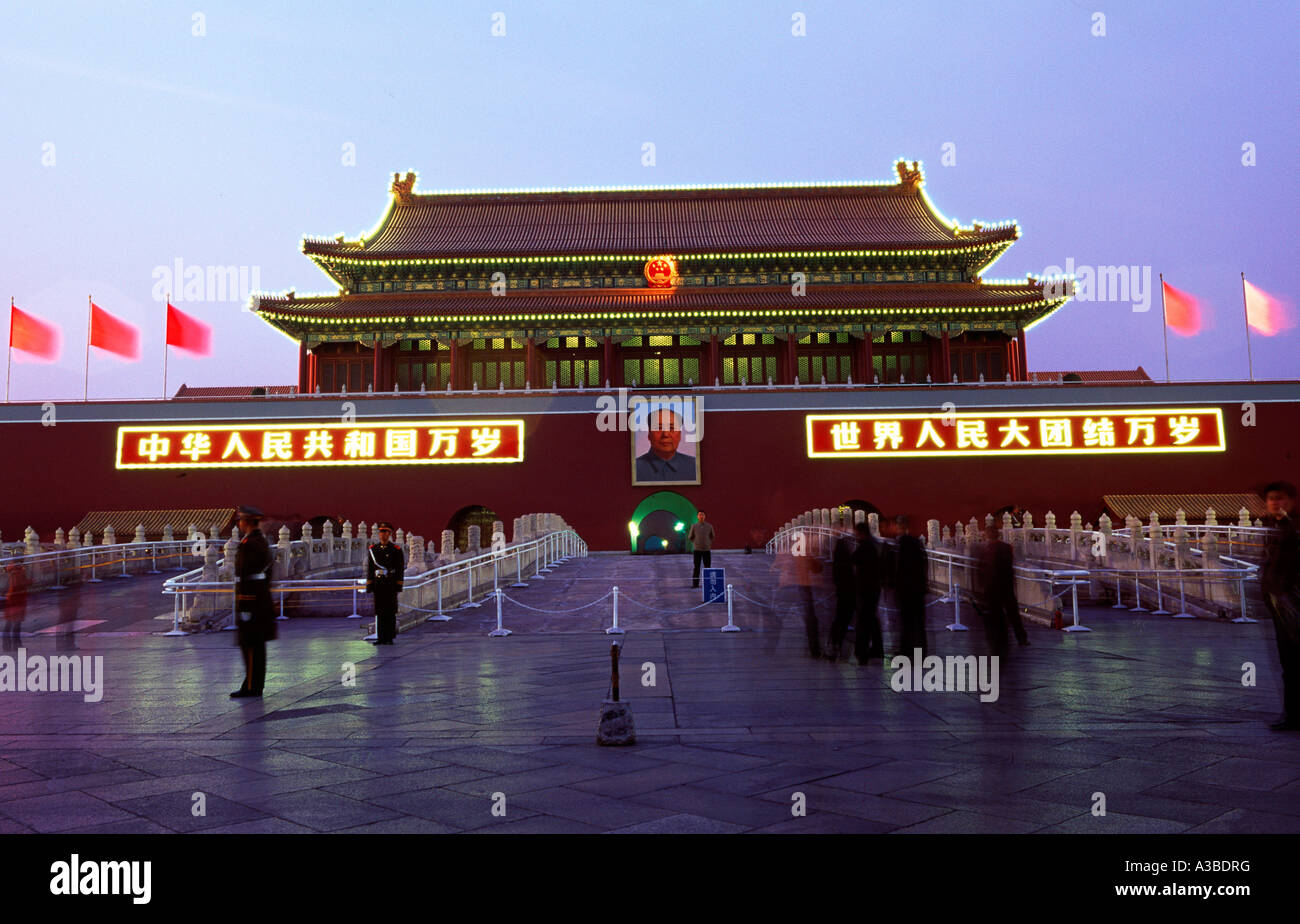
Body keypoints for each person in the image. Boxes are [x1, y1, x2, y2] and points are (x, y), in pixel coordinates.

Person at [1261, 481, 1300, 731]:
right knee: (1289, 664)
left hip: (1294, 604)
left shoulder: (1293, 528)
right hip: (1280, 607)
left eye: (1281, 498)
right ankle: (1293, 715)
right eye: (1271, 498)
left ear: (1291, 500)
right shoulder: (1274, 528)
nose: (1276, 503)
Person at [231, 505, 276, 698]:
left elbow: (244, 575)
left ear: (247, 522)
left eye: (241, 520)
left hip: (251, 602)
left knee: (250, 645)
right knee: (257, 646)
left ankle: (251, 687)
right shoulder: (262, 541)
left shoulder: (249, 543)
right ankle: (253, 684)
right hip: (261, 599)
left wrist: (244, 603)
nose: (239, 524)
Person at [829, 522, 883, 664]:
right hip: (871, 587)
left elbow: (853, 560)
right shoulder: (873, 544)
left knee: (862, 620)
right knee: (871, 619)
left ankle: (861, 652)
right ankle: (876, 649)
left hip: (863, 588)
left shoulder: (864, 546)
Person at [977, 524, 1029, 655]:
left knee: (998, 615)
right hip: (1006, 586)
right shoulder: (1006, 547)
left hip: (992, 588)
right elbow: (1008, 568)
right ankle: (1021, 638)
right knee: (1013, 614)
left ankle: (1001, 639)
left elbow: (981, 570)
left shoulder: (985, 550)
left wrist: (982, 587)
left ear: (987, 535)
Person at [894, 515, 928, 656]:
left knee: (907, 622)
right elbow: (924, 563)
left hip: (906, 589)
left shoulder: (901, 543)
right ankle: (920, 652)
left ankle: (907, 651)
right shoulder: (917, 542)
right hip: (918, 588)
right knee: (918, 622)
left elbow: (899, 567)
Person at [366, 522, 405, 645]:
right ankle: (381, 637)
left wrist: (398, 585)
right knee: (379, 611)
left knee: (390, 611)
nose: (382, 535)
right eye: (381, 532)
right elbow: (370, 568)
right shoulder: (373, 549)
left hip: (390, 583)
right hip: (378, 584)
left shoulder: (396, 550)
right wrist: (370, 584)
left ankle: (389, 637)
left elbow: (399, 568)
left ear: (389, 534)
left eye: (385, 532)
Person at [634, 408, 698, 482]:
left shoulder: (694, 466)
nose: (666, 434)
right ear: (649, 434)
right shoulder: (635, 468)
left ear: (680, 434)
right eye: (659, 428)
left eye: (671, 428)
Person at [3, 556, 28, 652]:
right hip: (18, 599)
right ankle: (17, 645)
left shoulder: (12, 570)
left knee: (9, 622)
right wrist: (29, 581)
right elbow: (18, 585)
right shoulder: (18, 572)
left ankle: (6, 645)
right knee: (17, 623)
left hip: (11, 598)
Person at [686, 511, 715, 589]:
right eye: (699, 515)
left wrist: (708, 543)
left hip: (706, 550)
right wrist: (696, 542)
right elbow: (690, 537)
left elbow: (712, 536)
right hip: (697, 550)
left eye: (702, 515)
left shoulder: (709, 526)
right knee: (696, 567)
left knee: (707, 567)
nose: (701, 516)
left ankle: (708, 584)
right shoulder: (694, 526)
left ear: (705, 516)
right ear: (697, 516)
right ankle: (695, 584)